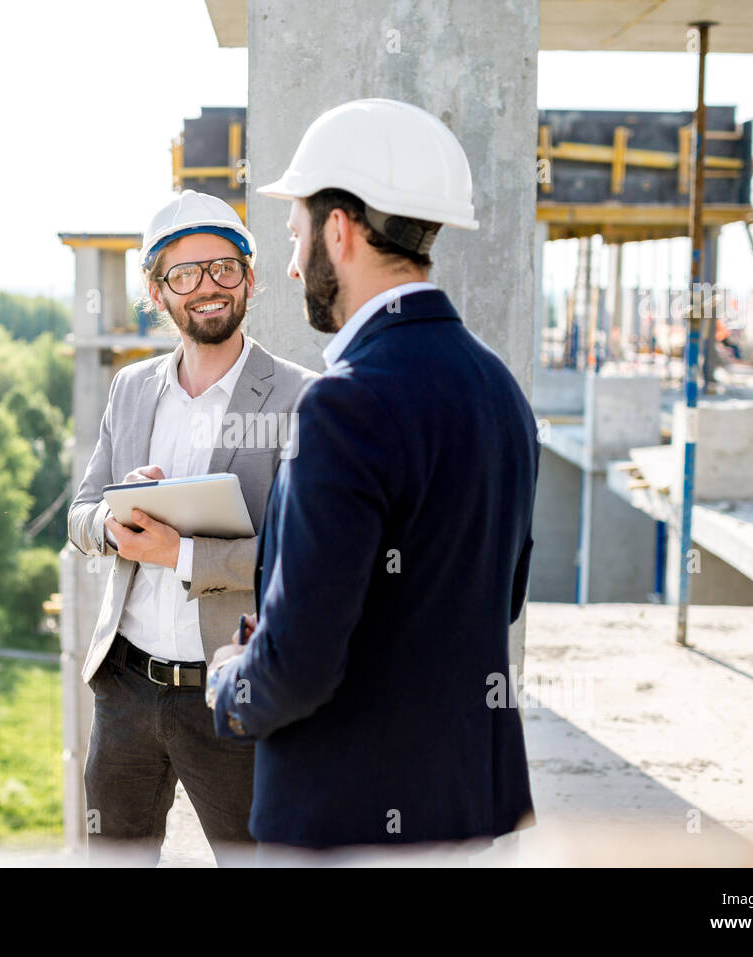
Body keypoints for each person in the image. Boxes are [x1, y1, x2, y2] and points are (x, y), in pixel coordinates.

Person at [204, 99, 539, 857]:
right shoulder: (500, 390)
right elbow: (499, 597)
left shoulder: (344, 405)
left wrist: (230, 680)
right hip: (466, 811)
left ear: (339, 230)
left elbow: (298, 669)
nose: (293, 265)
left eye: (294, 235)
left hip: (347, 824)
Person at [67, 190, 315, 865]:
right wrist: (116, 522)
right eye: (185, 274)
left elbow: (305, 560)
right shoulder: (131, 389)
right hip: (126, 687)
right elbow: (80, 517)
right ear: (157, 292)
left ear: (250, 279)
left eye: (224, 268)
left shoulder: (301, 397)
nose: (208, 286)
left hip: (233, 689)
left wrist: (181, 553)